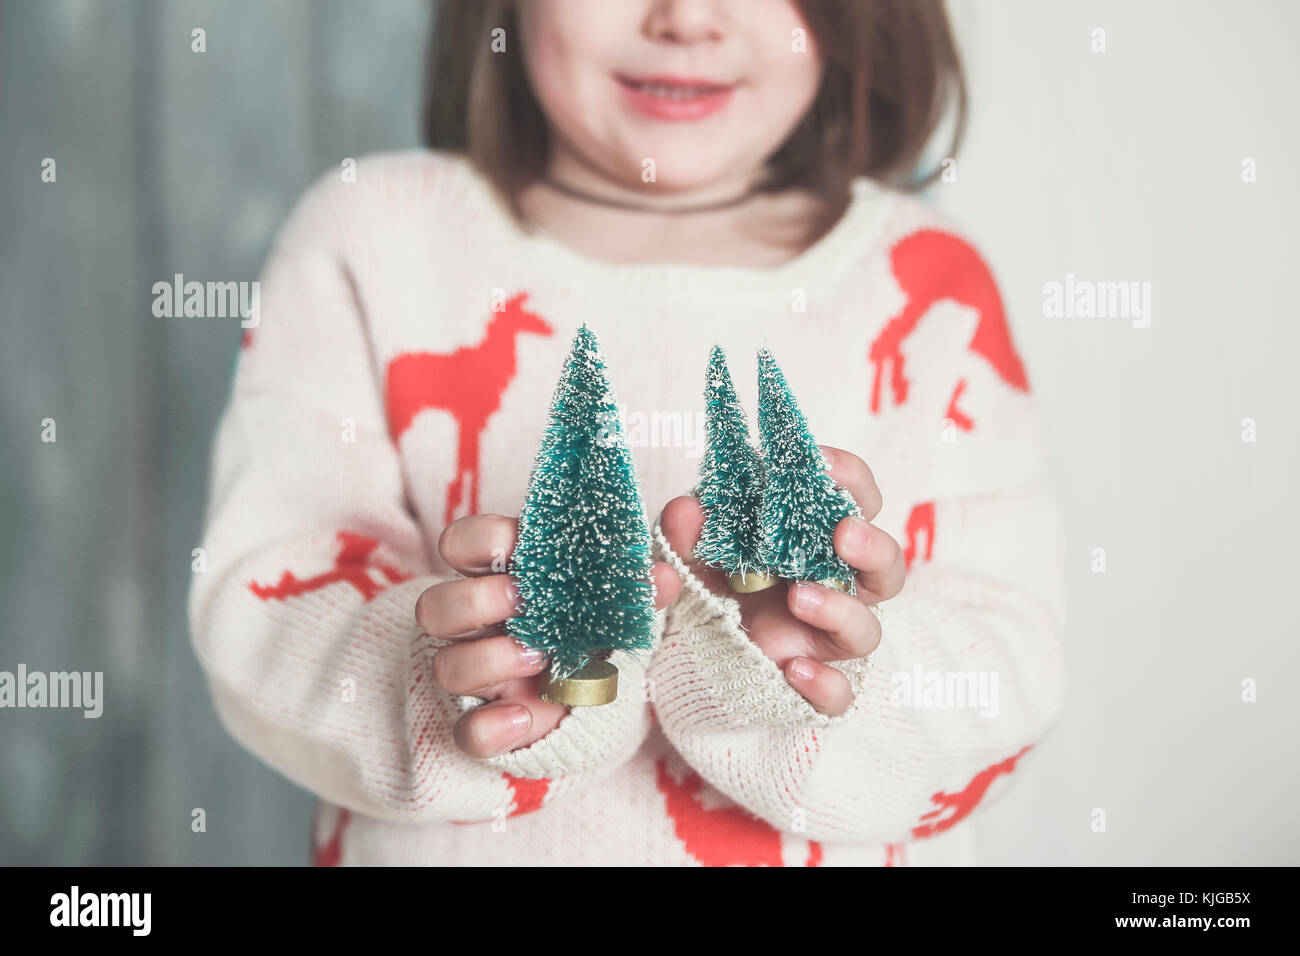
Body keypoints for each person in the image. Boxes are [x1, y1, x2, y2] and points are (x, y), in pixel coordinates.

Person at [190, 0, 1065, 866]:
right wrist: (456, 672)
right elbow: (261, 613)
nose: (686, 18)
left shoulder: (928, 290)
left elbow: (1009, 674)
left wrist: (810, 668)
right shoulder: (370, 238)